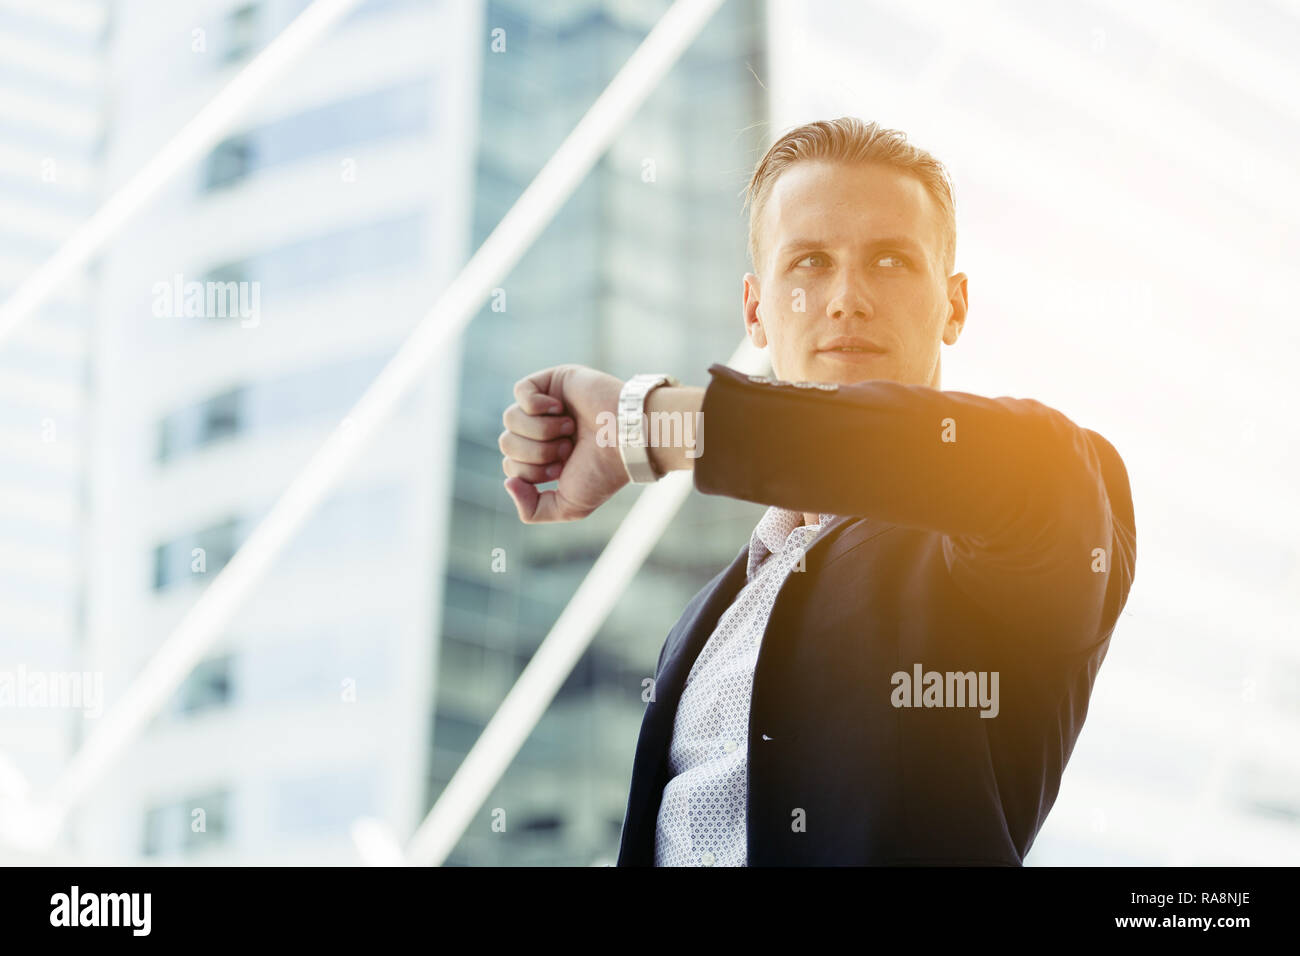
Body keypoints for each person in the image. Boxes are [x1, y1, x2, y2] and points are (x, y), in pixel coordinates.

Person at [498, 117, 1137, 866]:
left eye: (892, 260)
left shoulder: (1034, 500)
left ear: (955, 306)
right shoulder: (707, 619)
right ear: (755, 310)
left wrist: (642, 428)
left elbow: (1008, 465)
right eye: (808, 262)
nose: (846, 299)